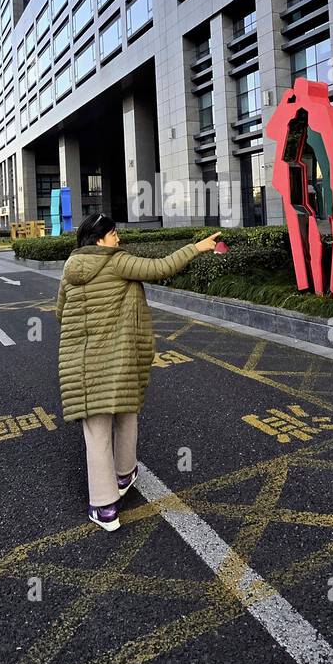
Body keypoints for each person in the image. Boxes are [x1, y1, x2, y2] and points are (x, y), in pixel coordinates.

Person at [56, 213, 221, 530]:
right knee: (126, 413)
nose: (118, 238)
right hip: (117, 360)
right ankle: (124, 473)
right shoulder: (117, 262)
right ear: (101, 239)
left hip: (81, 362)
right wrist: (196, 247)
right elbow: (161, 268)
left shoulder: (69, 269)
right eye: (114, 233)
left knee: (96, 432)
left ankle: (105, 509)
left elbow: (60, 313)